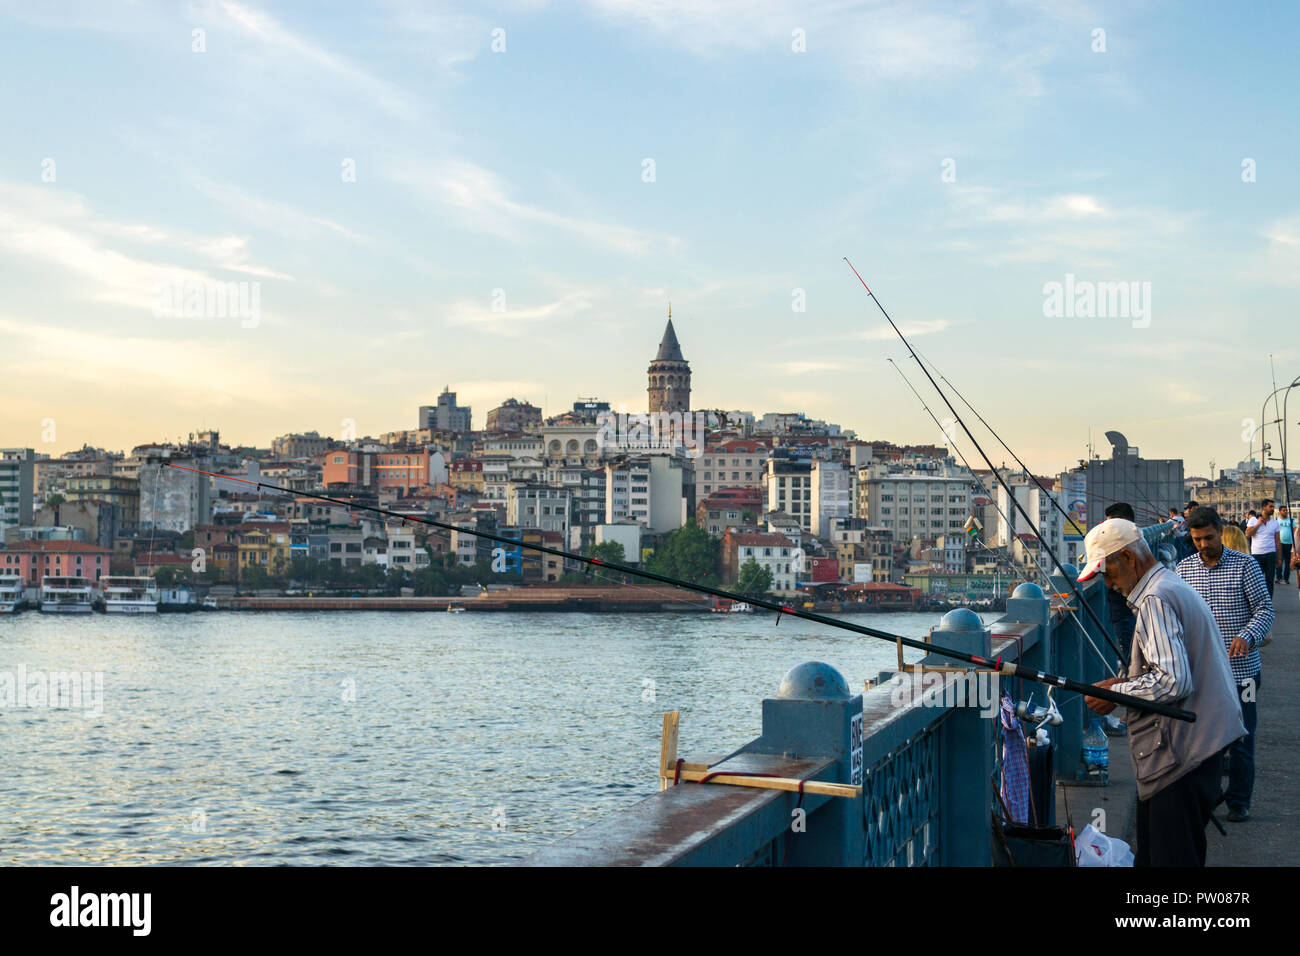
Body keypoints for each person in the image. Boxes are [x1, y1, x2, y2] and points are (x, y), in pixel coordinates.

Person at [1080, 518, 1245, 867]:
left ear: (1127, 557)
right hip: (1203, 745)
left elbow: (1173, 681)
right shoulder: (1170, 583)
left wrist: (1116, 695)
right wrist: (1120, 684)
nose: (1107, 585)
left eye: (1106, 573)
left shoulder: (1154, 599)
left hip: (1183, 756)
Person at [1177, 507, 1272, 822]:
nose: (1203, 545)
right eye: (1196, 540)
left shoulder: (1246, 565)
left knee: (1242, 739)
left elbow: (1264, 609)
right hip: (1202, 675)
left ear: (1220, 531)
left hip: (1242, 674)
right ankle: (1207, 798)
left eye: (1208, 537)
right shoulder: (1183, 570)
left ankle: (1239, 801)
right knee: (1205, 741)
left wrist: (1248, 635)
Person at [1103, 502, 1138, 646]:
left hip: (1125, 613)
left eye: (1111, 525)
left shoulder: (1127, 547)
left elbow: (1109, 582)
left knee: (1129, 659)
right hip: (1129, 612)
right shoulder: (1138, 540)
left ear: (1125, 523)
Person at [1245, 499, 1281, 599]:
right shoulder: (1253, 520)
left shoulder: (1275, 523)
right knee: (1256, 581)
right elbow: (1247, 534)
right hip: (1257, 554)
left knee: (1270, 580)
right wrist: (1258, 524)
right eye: (1271, 506)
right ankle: (1257, 601)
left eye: (1273, 507)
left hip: (1270, 554)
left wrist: (1279, 557)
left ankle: (1268, 602)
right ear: (1264, 507)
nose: (1273, 509)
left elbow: (1278, 541)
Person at [1277, 505, 1294, 584]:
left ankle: (1286, 579)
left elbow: (1295, 531)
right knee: (1279, 560)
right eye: (1284, 510)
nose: (1286, 511)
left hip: (1289, 544)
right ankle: (1279, 578)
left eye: (1286, 510)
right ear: (1280, 511)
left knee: (1287, 562)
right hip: (1280, 544)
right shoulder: (1277, 521)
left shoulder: (1291, 520)